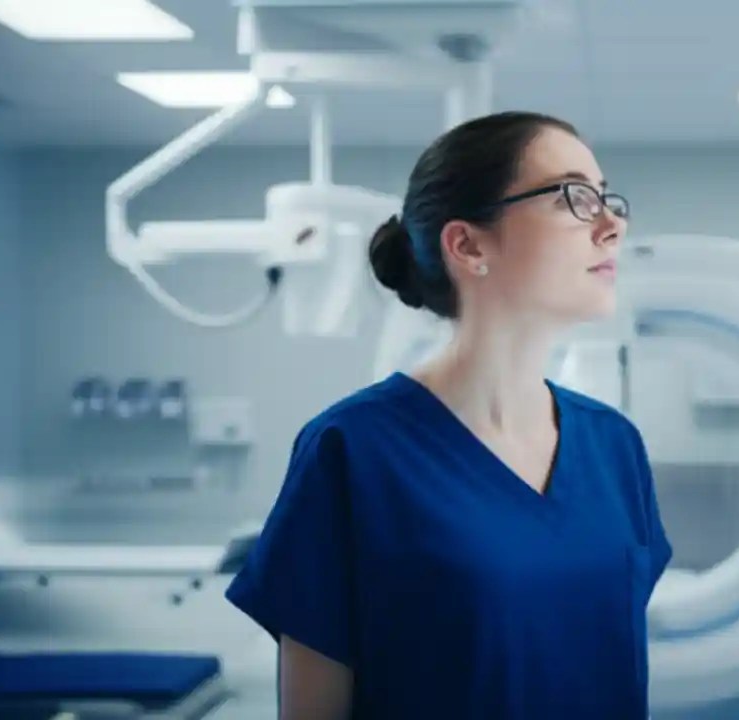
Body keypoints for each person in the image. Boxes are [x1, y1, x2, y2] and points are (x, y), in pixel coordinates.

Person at [225, 111, 673, 719]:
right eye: (575, 197)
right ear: (468, 244)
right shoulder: (355, 450)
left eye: (607, 197)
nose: (612, 223)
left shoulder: (614, 446)